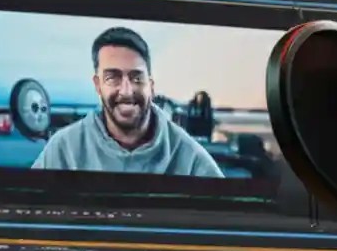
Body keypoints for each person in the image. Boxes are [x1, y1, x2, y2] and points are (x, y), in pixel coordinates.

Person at [31, 27, 223, 177]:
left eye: (136, 77)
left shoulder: (190, 158)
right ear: (98, 85)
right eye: (112, 77)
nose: (126, 91)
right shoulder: (64, 149)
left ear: (151, 85)